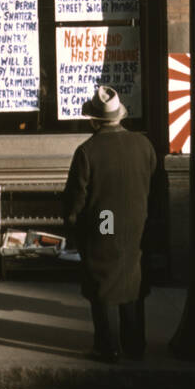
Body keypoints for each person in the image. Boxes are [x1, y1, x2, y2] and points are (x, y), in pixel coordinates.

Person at [62, 86, 156, 363]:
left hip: (103, 225)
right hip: (137, 223)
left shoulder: (87, 151)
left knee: (103, 283)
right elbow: (154, 184)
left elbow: (76, 197)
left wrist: (72, 225)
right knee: (133, 282)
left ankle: (108, 346)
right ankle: (135, 344)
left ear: (94, 120)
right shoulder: (144, 145)